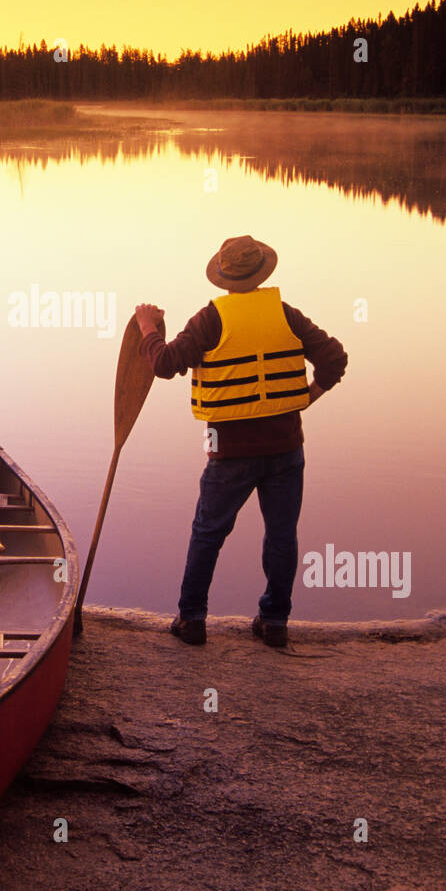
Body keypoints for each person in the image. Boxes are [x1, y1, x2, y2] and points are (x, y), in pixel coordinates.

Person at [135, 234, 347, 648]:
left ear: (224, 278)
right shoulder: (285, 314)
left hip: (230, 451)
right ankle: (274, 623)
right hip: (286, 448)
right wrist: (307, 397)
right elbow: (335, 358)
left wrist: (146, 327)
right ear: (262, 272)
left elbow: (164, 364)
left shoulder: (211, 319)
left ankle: (192, 620)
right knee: (282, 535)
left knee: (208, 533)